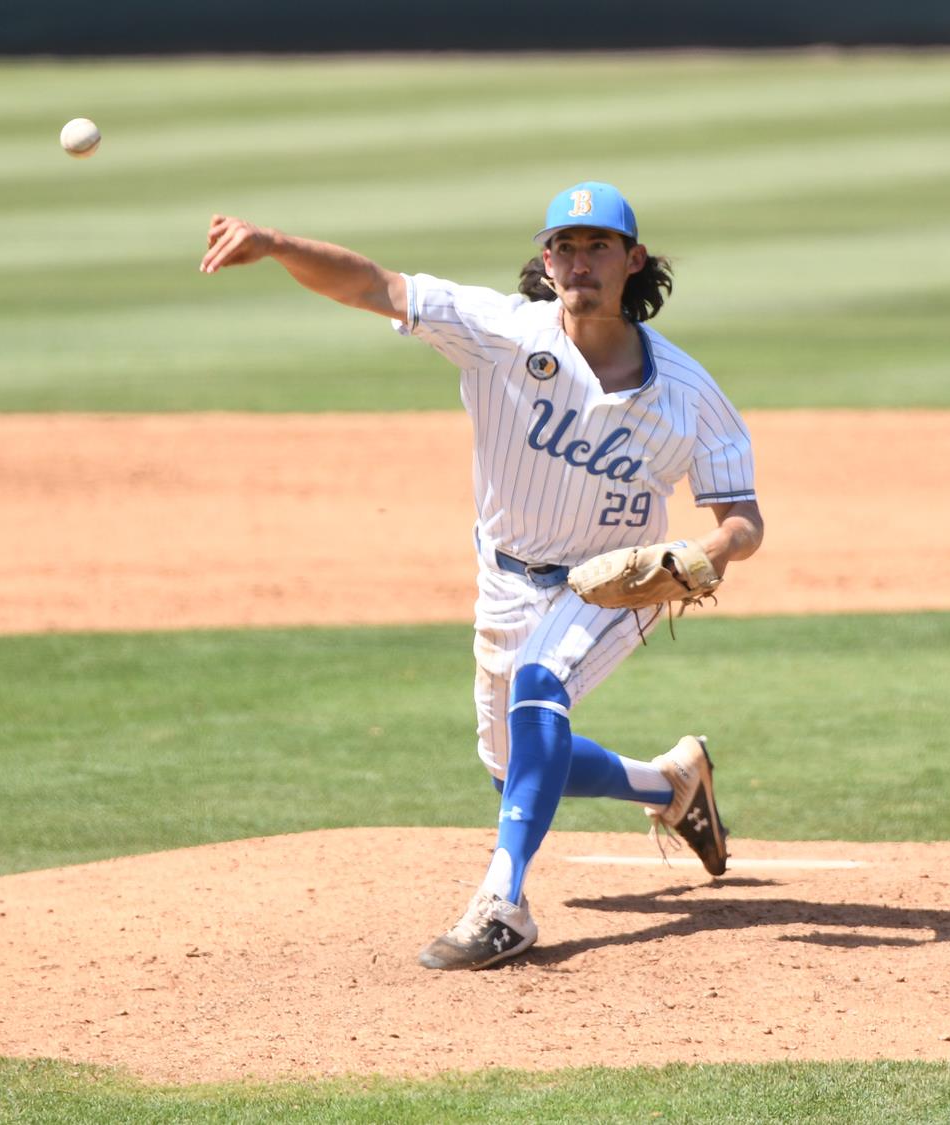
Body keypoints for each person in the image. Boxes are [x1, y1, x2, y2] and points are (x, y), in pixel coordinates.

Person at [200, 182, 765, 970]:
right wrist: (276, 244)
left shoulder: (689, 394)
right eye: (563, 246)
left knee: (541, 683)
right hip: (505, 579)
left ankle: (503, 902)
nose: (579, 262)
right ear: (545, 259)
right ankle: (671, 783)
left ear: (633, 261)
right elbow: (376, 285)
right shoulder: (501, 330)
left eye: (598, 245)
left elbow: (743, 514)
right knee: (515, 762)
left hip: (616, 585)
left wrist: (709, 553)